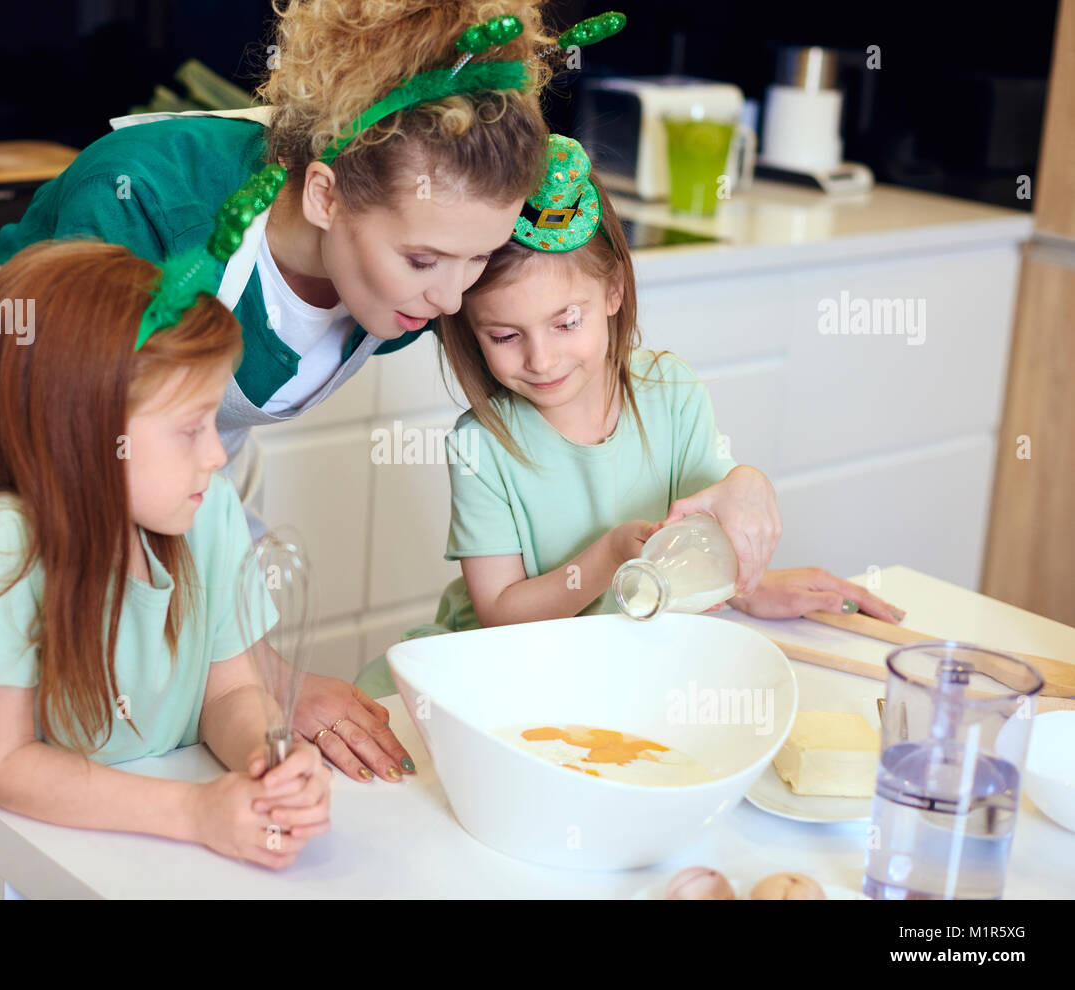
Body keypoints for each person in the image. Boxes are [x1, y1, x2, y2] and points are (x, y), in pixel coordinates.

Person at [0, 1, 589, 783]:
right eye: (426, 262)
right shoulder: (146, 207)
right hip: (33, 408)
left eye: (479, 259)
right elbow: (93, 464)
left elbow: (562, 373)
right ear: (325, 196)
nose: (453, 302)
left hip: (192, 440)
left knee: (173, 731)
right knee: (15, 726)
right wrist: (271, 681)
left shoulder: (431, 253)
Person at [0, 236, 331, 899]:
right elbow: (3, 764)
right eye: (190, 427)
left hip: (111, 851)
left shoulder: (211, 513)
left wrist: (267, 759)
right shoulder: (3, 545)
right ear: (86, 428)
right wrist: (195, 813)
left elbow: (228, 693)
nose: (217, 456)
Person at [354, 135, 903, 698]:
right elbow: (500, 615)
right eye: (505, 335)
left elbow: (703, 546)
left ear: (613, 292)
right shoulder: (483, 445)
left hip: (628, 666)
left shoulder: (671, 392)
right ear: (470, 330)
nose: (541, 360)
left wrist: (752, 572)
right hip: (504, 675)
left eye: (566, 322)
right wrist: (612, 553)